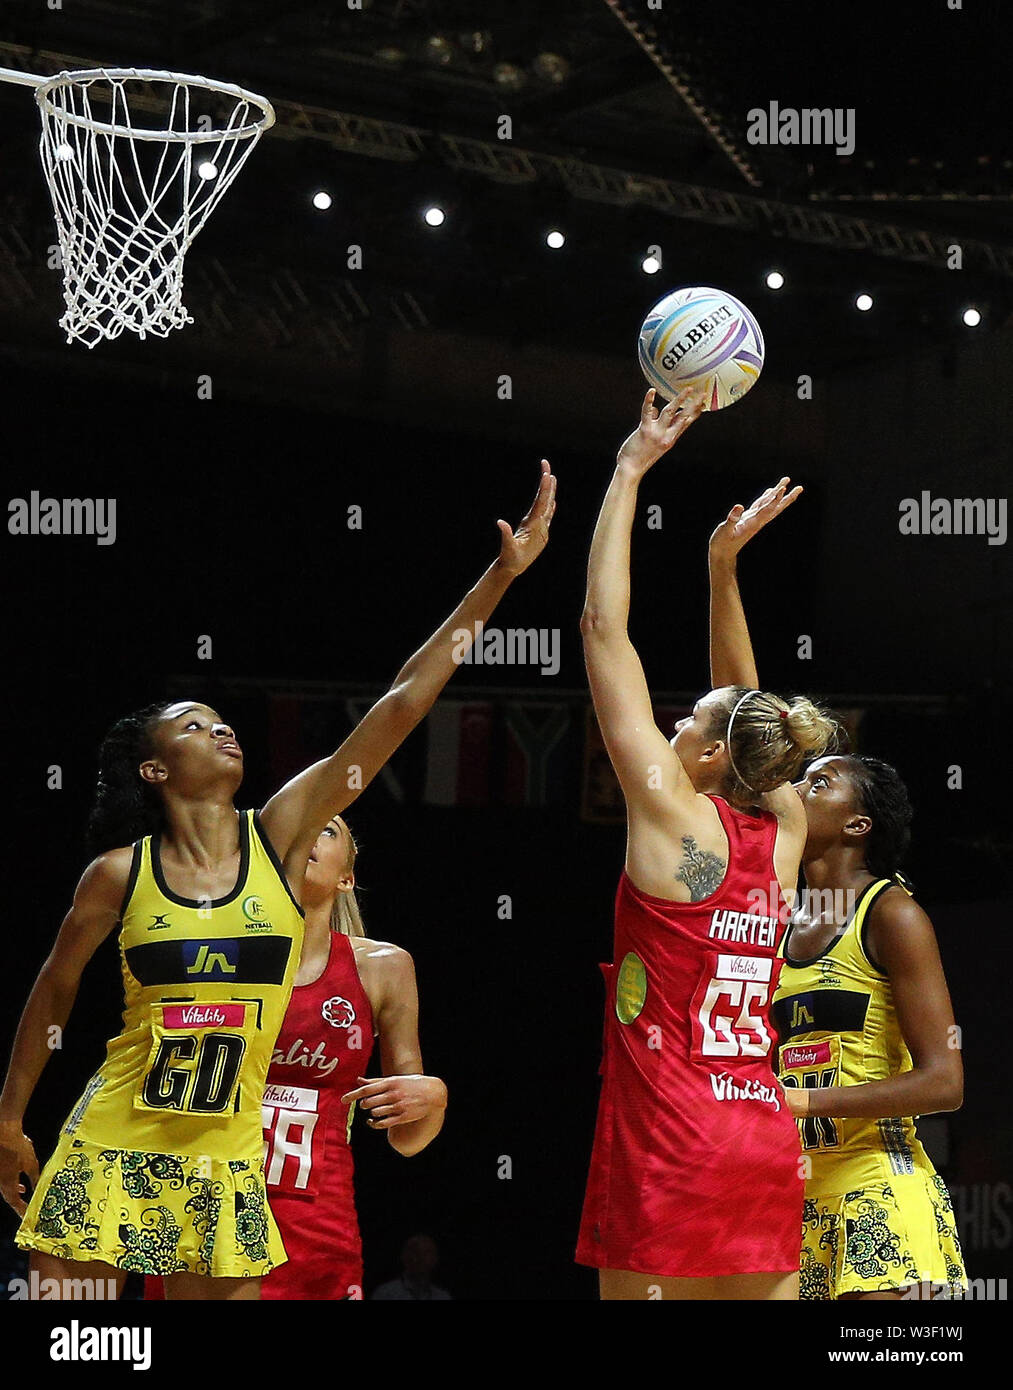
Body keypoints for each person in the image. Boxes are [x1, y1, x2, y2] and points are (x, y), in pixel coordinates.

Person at [0, 462, 555, 1301]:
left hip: (226, 1160)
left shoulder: (282, 836)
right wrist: (9, 1122)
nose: (219, 728)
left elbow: (402, 703)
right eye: (193, 726)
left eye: (221, 721)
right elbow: (52, 994)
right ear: (154, 769)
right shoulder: (118, 874)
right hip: (113, 1141)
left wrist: (500, 578)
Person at [576, 388, 836, 1300]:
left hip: (669, 1147)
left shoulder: (666, 816)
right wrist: (721, 568)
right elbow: (749, 716)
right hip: (758, 1138)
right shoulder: (783, 827)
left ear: (712, 753)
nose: (672, 727)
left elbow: (603, 631)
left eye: (685, 721)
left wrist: (628, 469)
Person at [707, 478, 967, 1301]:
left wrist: (797, 1097)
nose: (793, 783)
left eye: (818, 781)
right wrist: (721, 569)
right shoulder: (769, 896)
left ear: (858, 826)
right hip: (780, 1198)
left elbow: (944, 1081)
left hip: (877, 1188)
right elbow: (737, 718)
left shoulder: (890, 914)